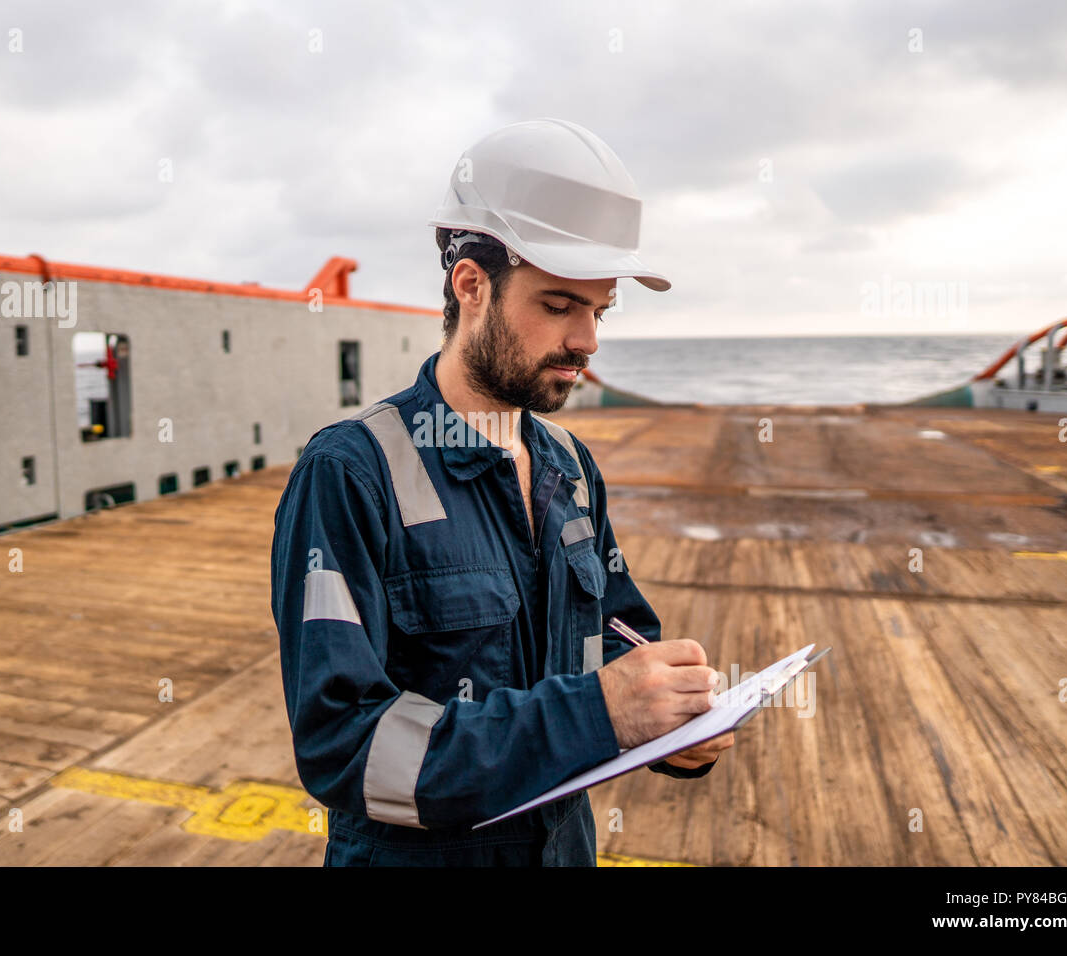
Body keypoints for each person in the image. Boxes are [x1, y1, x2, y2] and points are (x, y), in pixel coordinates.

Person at [270, 118, 734, 867]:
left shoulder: (571, 467)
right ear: (472, 285)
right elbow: (344, 747)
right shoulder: (351, 474)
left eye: (598, 310)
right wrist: (598, 713)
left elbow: (620, 640)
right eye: (559, 306)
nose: (587, 340)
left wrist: (675, 723)